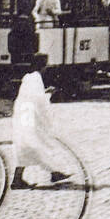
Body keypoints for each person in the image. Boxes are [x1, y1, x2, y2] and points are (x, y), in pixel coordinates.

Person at [10, 53, 71, 188]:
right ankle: (53, 172)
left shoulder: (28, 77)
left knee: (26, 144)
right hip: (30, 115)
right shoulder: (36, 78)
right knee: (35, 142)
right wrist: (49, 94)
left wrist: (44, 93)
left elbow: (30, 96)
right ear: (43, 65)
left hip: (23, 113)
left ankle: (19, 178)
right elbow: (38, 100)